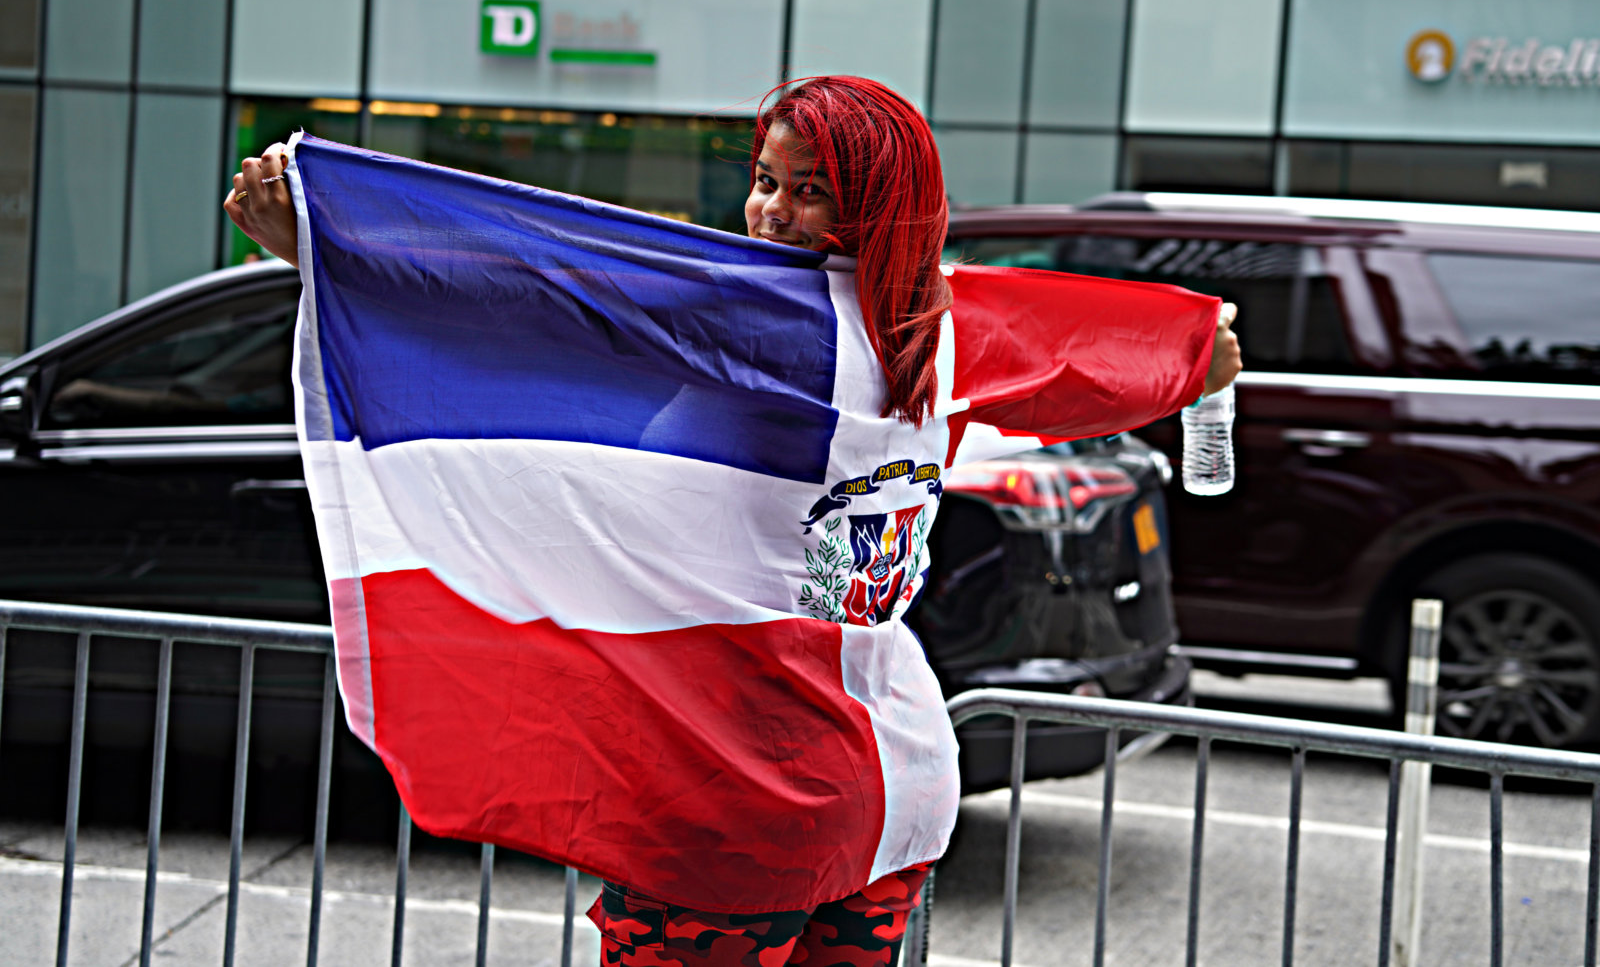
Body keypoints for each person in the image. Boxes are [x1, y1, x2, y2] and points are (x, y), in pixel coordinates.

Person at [227, 75, 1240, 967]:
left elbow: (533, 284)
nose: (772, 212)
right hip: (892, 789)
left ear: (879, 206)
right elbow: (1089, 351)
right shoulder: (944, 328)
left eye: (810, 192)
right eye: (767, 179)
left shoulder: (751, 319)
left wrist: (329, 239)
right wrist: (1199, 357)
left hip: (727, 807)